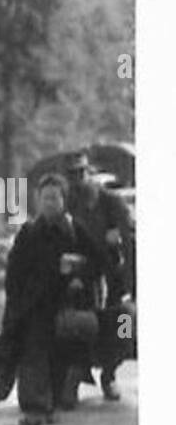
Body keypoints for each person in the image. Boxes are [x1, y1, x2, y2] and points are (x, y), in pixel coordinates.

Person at [1, 173, 108, 425]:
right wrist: (15, 309)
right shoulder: (29, 232)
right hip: (35, 306)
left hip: (67, 306)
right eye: (45, 198)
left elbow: (100, 262)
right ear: (38, 200)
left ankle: (55, 399)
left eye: (54, 198)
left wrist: (79, 269)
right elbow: (15, 274)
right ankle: (34, 408)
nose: (49, 203)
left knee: (60, 355)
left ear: (63, 200)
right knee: (33, 355)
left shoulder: (74, 230)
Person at [63, 148, 135, 400]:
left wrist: (130, 281)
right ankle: (75, 377)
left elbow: (130, 238)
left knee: (125, 328)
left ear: (89, 172)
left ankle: (110, 372)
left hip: (115, 281)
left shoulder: (111, 202)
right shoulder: (67, 204)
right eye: (72, 175)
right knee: (79, 329)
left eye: (81, 173)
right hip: (83, 280)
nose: (78, 179)